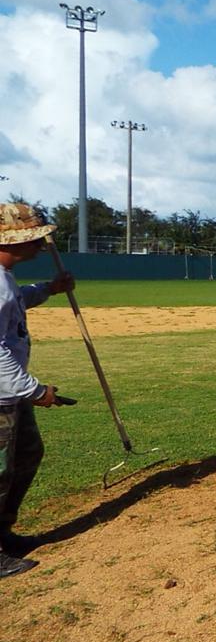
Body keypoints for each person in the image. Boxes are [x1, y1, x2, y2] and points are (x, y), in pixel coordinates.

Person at [0, 204, 74, 578]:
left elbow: (16, 302)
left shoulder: (5, 275)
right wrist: (35, 390)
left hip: (11, 395)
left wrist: (49, 289)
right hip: (3, 397)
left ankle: (3, 533)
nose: (43, 245)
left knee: (27, 454)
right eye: (36, 238)